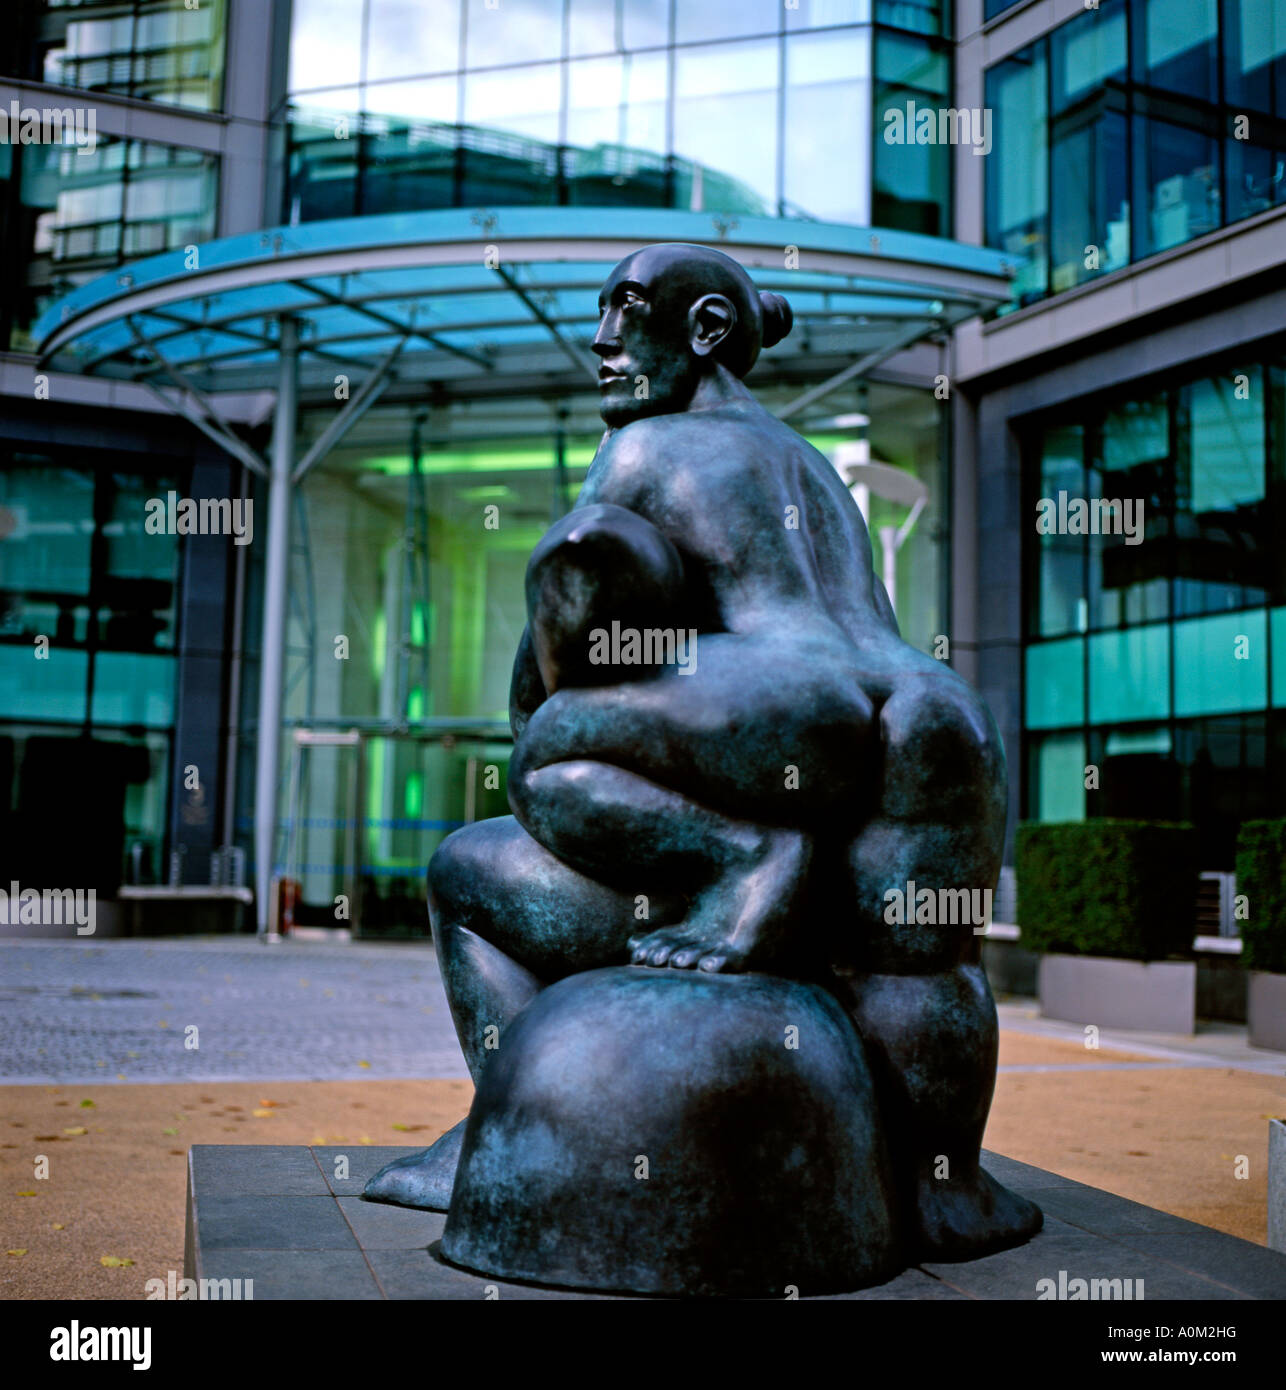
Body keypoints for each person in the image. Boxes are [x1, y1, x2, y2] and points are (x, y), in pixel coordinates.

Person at [366, 243, 1041, 1259]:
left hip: (774, 702)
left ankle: (736, 866)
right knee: (913, 948)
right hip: (931, 712)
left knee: (509, 806)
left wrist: (562, 703)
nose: (598, 342)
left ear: (706, 331)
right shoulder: (808, 465)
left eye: (624, 312)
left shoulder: (644, 447)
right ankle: (938, 1176)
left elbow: (558, 620)